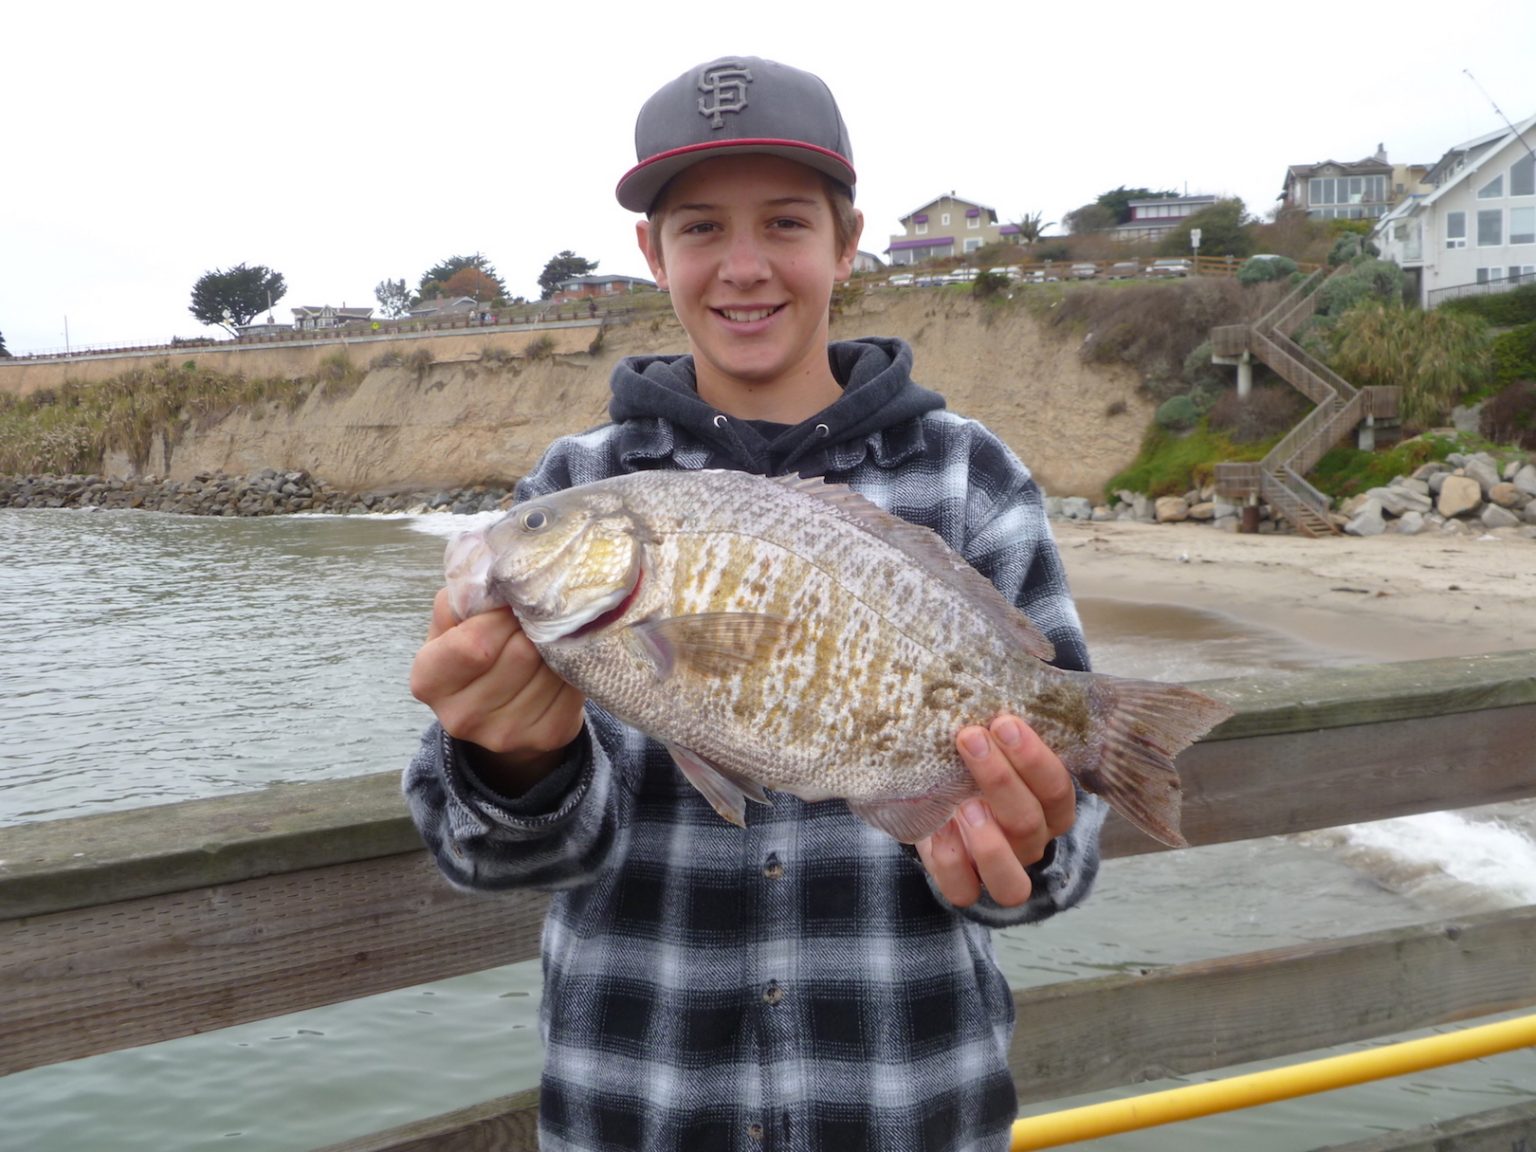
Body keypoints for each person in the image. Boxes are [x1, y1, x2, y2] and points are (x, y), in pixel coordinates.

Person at [404, 55, 1105, 1152]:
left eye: (784, 223)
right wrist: (513, 767)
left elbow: (1061, 853)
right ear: (651, 251)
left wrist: (1031, 848)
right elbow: (487, 856)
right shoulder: (572, 489)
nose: (743, 267)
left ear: (846, 239)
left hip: (910, 1107)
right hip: (635, 1111)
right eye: (698, 230)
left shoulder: (974, 481)